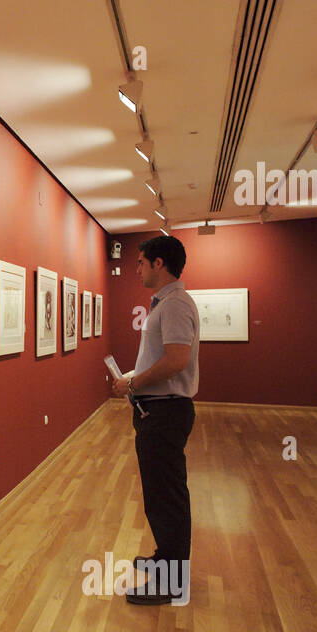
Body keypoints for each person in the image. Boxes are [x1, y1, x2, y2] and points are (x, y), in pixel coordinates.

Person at [110, 235, 200, 605]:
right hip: (157, 408)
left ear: (159, 264)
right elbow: (162, 359)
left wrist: (132, 381)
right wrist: (135, 377)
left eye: (141, 262)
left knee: (166, 496)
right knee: (160, 493)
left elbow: (177, 361)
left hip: (164, 410)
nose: (137, 268)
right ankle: (167, 559)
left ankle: (173, 581)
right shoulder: (166, 303)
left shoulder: (175, 304)